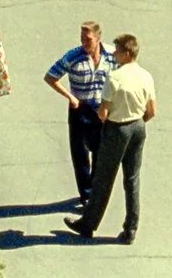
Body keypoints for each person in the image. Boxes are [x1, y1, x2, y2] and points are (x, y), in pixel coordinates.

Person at [65, 32, 155, 244]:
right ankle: (131, 228)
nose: (114, 55)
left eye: (117, 51)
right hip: (138, 127)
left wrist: (107, 120)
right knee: (132, 179)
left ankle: (88, 224)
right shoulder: (146, 76)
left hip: (117, 129)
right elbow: (151, 111)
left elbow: (103, 112)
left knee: (103, 178)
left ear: (127, 53)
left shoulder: (114, 77)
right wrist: (137, 120)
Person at [45, 23, 112, 205]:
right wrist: (70, 97)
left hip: (102, 110)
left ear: (98, 38)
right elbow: (50, 77)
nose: (84, 43)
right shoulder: (73, 56)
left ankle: (95, 192)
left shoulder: (112, 56)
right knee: (80, 154)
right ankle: (86, 195)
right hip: (80, 109)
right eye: (82, 38)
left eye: (88, 39)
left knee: (101, 153)